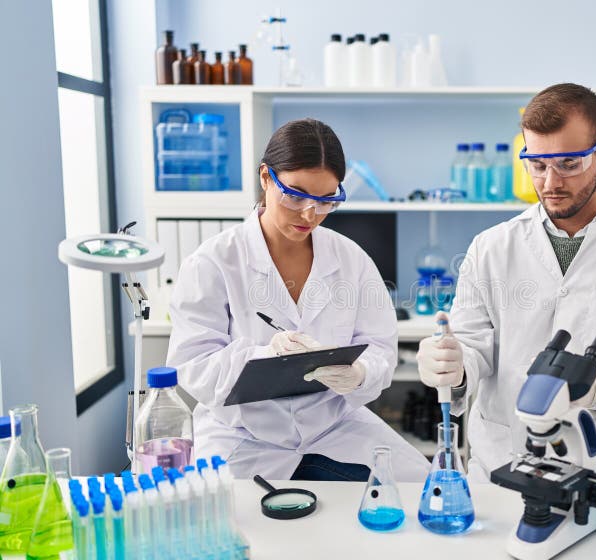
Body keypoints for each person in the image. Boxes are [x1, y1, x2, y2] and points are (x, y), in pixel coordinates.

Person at [416, 83, 596, 482]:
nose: (550, 182)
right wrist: (454, 365)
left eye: (568, 163)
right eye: (537, 164)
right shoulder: (490, 248)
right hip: (503, 466)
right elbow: (473, 348)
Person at [167, 118, 428, 481]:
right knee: (230, 522)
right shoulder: (214, 262)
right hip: (241, 437)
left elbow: (380, 347)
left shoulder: (351, 260)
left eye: (326, 200)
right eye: (295, 194)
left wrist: (359, 373)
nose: (310, 213)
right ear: (264, 178)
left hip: (335, 427)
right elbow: (193, 365)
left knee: (424, 490)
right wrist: (266, 358)